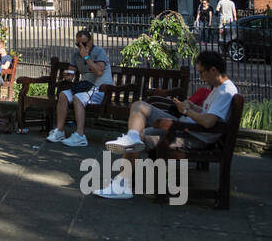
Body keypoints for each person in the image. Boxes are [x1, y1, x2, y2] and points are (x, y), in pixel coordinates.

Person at [105, 52, 237, 158]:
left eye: (201, 72)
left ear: (213, 70)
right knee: (139, 106)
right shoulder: (219, 88)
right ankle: (131, 138)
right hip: (187, 127)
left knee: (140, 137)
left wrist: (185, 111)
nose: (201, 77)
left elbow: (208, 122)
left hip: (192, 135)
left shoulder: (225, 92)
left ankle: (123, 182)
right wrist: (192, 106)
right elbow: (209, 113)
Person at [46, 29, 113, 148]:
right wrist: (68, 76)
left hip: (101, 89)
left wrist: (86, 57)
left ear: (91, 41)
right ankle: (60, 131)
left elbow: (99, 71)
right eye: (78, 44)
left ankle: (80, 136)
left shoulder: (99, 52)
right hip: (86, 87)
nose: (81, 46)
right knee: (63, 95)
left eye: (84, 43)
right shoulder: (76, 55)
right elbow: (71, 72)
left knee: (77, 98)